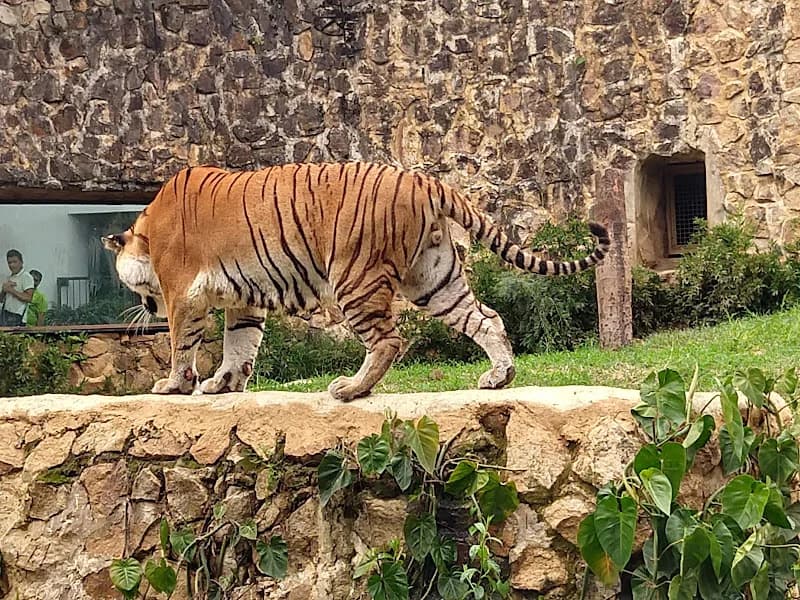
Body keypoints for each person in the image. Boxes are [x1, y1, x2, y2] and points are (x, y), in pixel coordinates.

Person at [0, 250, 35, 327]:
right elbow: (1, 299)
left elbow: (28, 298)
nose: (12, 265)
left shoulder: (26, 276)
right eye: (9, 262)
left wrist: (11, 290)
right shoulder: (9, 277)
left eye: (15, 262)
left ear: (21, 262)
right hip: (6, 314)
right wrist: (4, 289)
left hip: (17, 316)